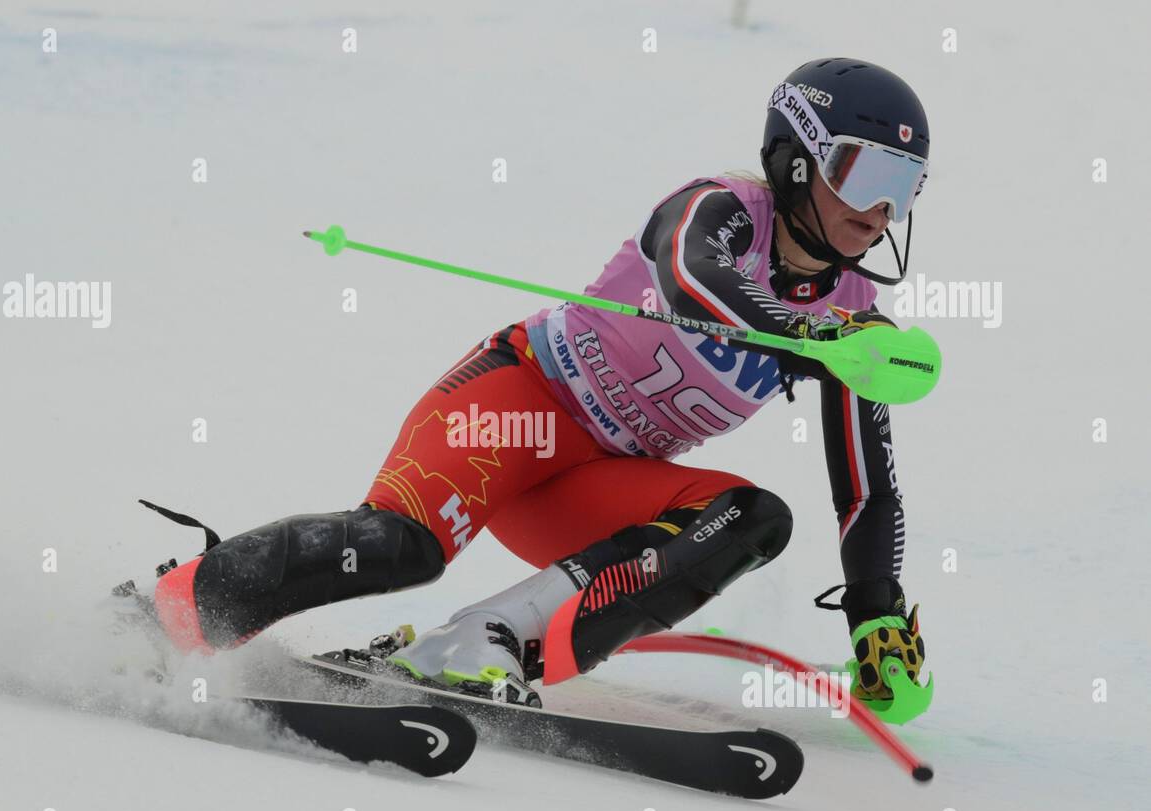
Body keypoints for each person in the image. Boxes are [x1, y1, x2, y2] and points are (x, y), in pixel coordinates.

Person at [138, 57, 928, 707]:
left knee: (750, 519)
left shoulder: (854, 321)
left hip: (596, 487)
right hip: (520, 409)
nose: (882, 210)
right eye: (863, 175)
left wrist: (875, 619)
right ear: (796, 161)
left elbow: (865, 490)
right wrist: (803, 334)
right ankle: (164, 612)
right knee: (400, 547)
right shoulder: (720, 210)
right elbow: (695, 276)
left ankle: (485, 640)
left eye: (906, 183)